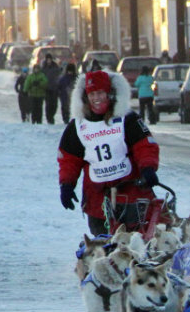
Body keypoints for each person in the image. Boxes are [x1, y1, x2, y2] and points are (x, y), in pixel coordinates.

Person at [57, 69, 160, 236]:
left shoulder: (128, 120)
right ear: (85, 97)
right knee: (104, 244)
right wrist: (67, 185)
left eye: (100, 93)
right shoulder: (77, 127)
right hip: (98, 199)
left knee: (137, 240)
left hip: (131, 192)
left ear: (110, 94)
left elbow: (145, 146)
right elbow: (69, 159)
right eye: (92, 94)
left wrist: (148, 167)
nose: (96, 98)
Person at [42, 53, 62, 125]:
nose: (49, 61)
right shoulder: (44, 68)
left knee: (54, 105)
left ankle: (51, 116)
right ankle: (49, 118)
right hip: (47, 89)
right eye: (47, 59)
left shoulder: (55, 66)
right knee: (48, 104)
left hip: (54, 88)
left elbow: (59, 74)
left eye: (50, 59)